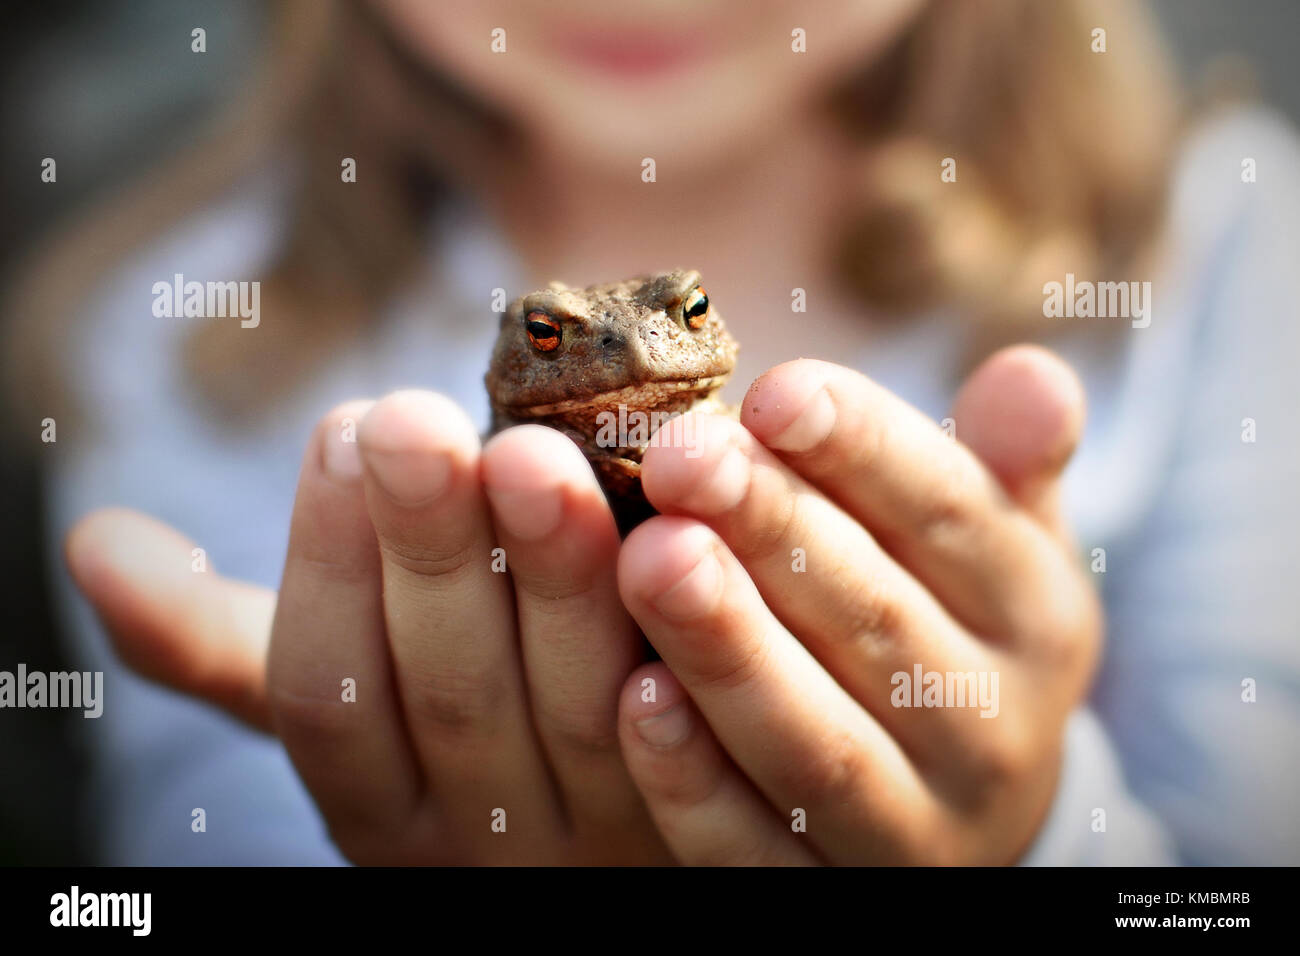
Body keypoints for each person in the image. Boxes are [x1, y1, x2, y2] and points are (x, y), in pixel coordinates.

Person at [8, 0, 1298, 864]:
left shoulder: (1216, 250)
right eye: (564, 341)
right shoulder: (194, 331)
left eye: (675, 319)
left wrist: (1029, 828)